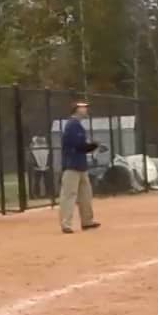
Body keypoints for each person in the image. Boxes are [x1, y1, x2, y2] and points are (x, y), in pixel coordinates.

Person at [58, 100, 101, 234]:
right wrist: (92, 145)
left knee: (86, 194)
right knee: (69, 194)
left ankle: (87, 221)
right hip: (72, 165)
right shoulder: (72, 125)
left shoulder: (78, 126)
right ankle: (66, 224)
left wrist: (91, 146)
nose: (86, 109)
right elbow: (78, 146)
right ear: (76, 109)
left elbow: (81, 147)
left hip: (81, 165)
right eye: (83, 107)